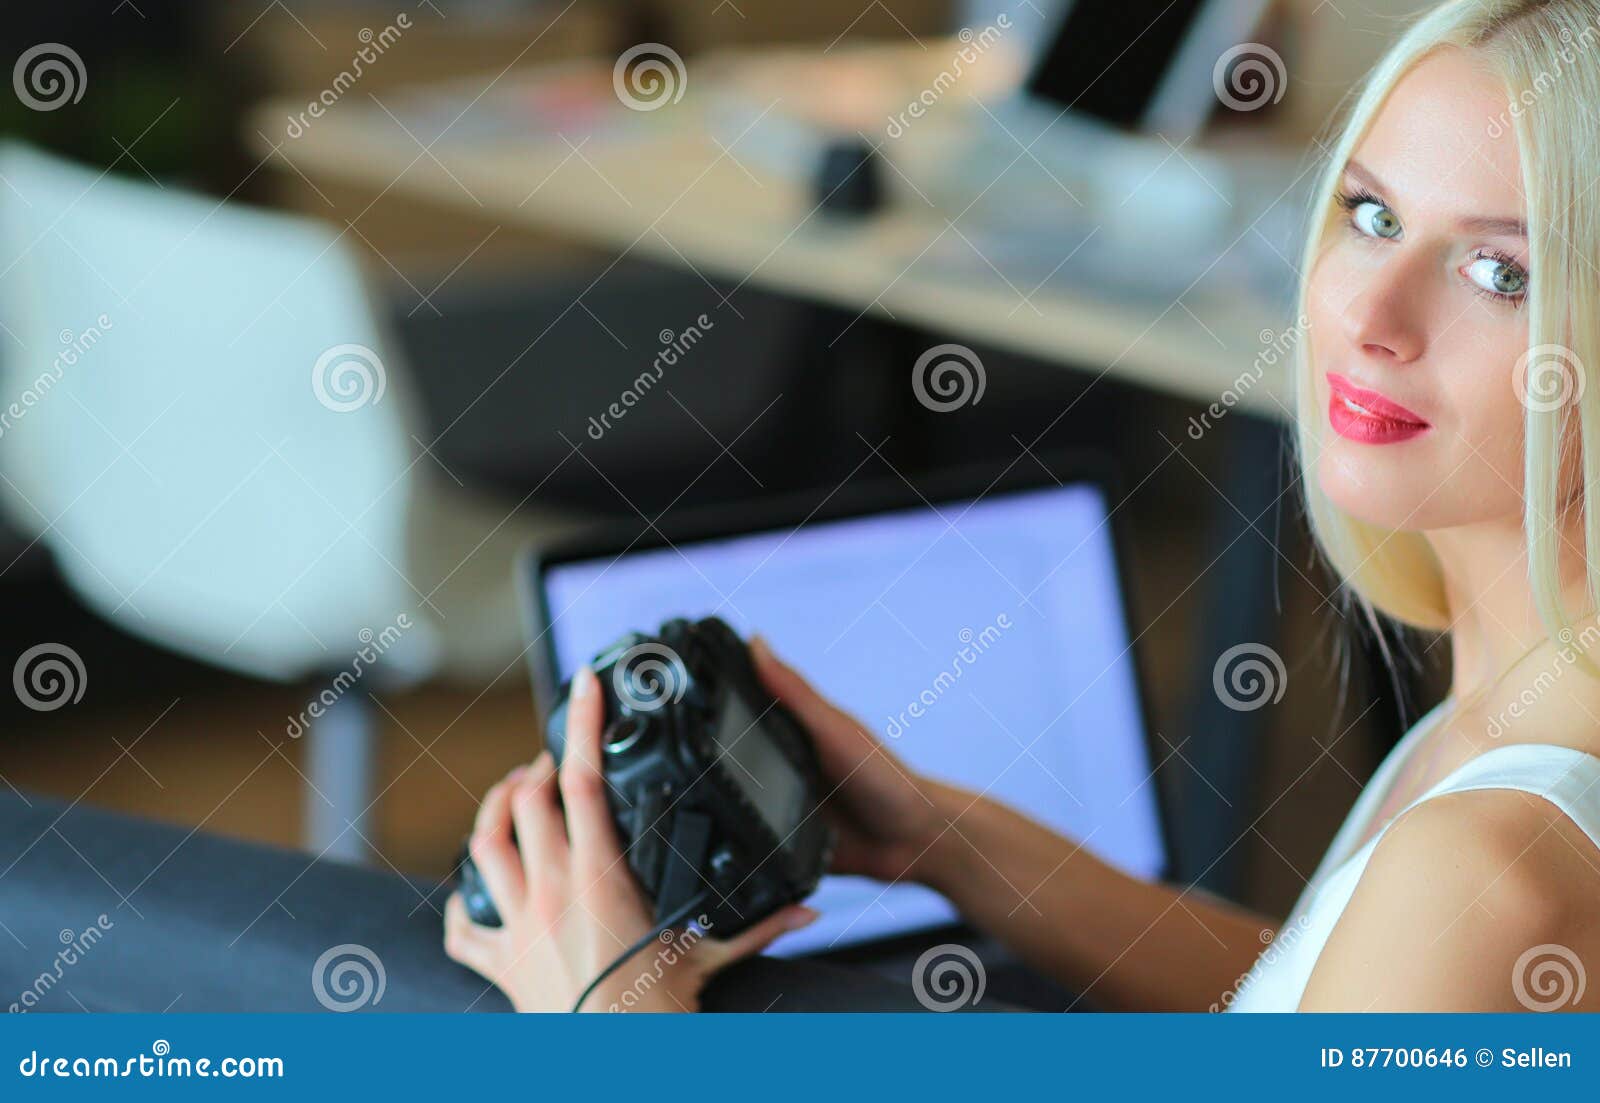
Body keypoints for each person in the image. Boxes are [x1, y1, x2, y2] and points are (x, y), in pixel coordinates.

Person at [444, 0, 1600, 1013]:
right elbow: (1317, 995)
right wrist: (939, 836)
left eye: (1502, 272)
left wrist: (608, 1016)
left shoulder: (1484, 867)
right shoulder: (1515, 709)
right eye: (1369, 214)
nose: (1372, 315)